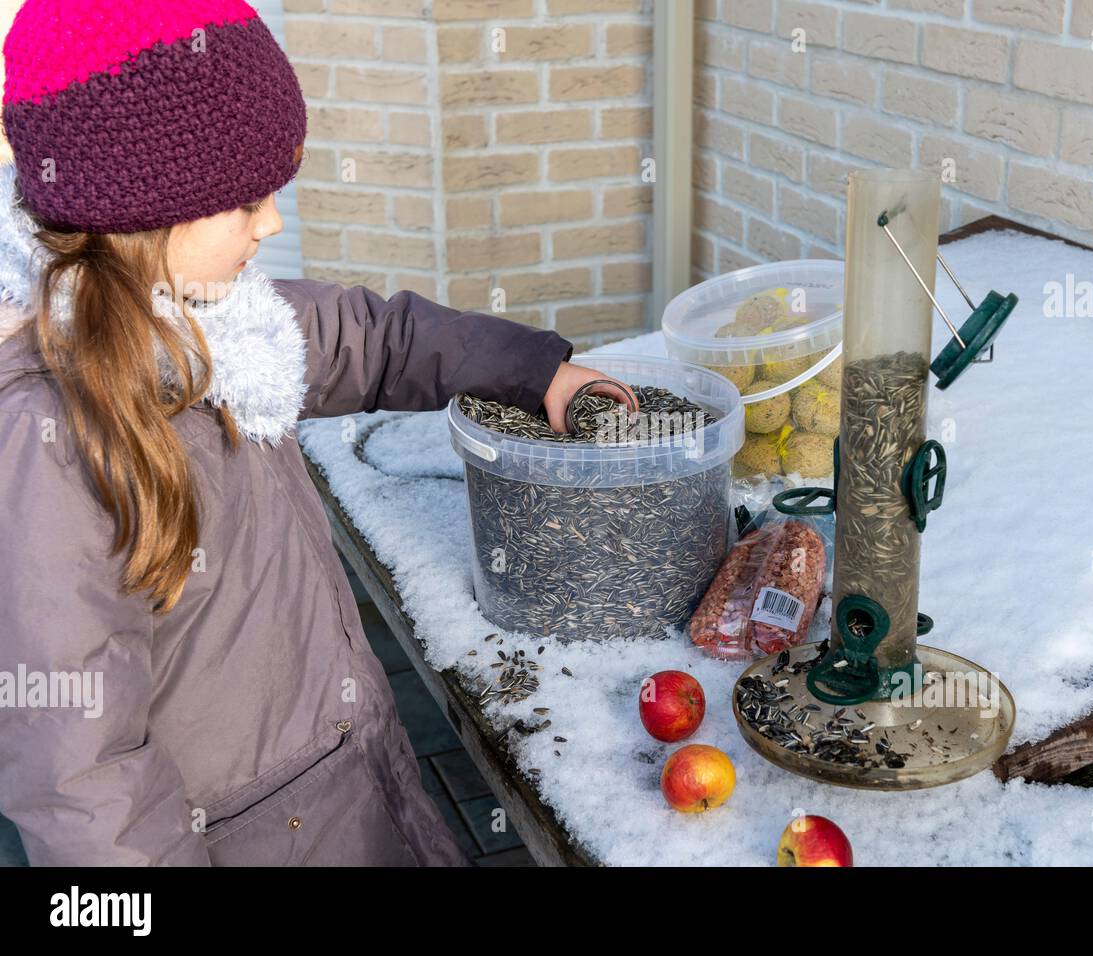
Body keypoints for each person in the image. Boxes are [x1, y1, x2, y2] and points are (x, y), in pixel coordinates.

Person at [0, 0, 635, 865]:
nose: (272, 224)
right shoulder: (50, 437)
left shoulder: (226, 322)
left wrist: (537, 373)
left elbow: (376, 337)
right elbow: (78, 777)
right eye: (246, 201)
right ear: (145, 210)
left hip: (351, 788)